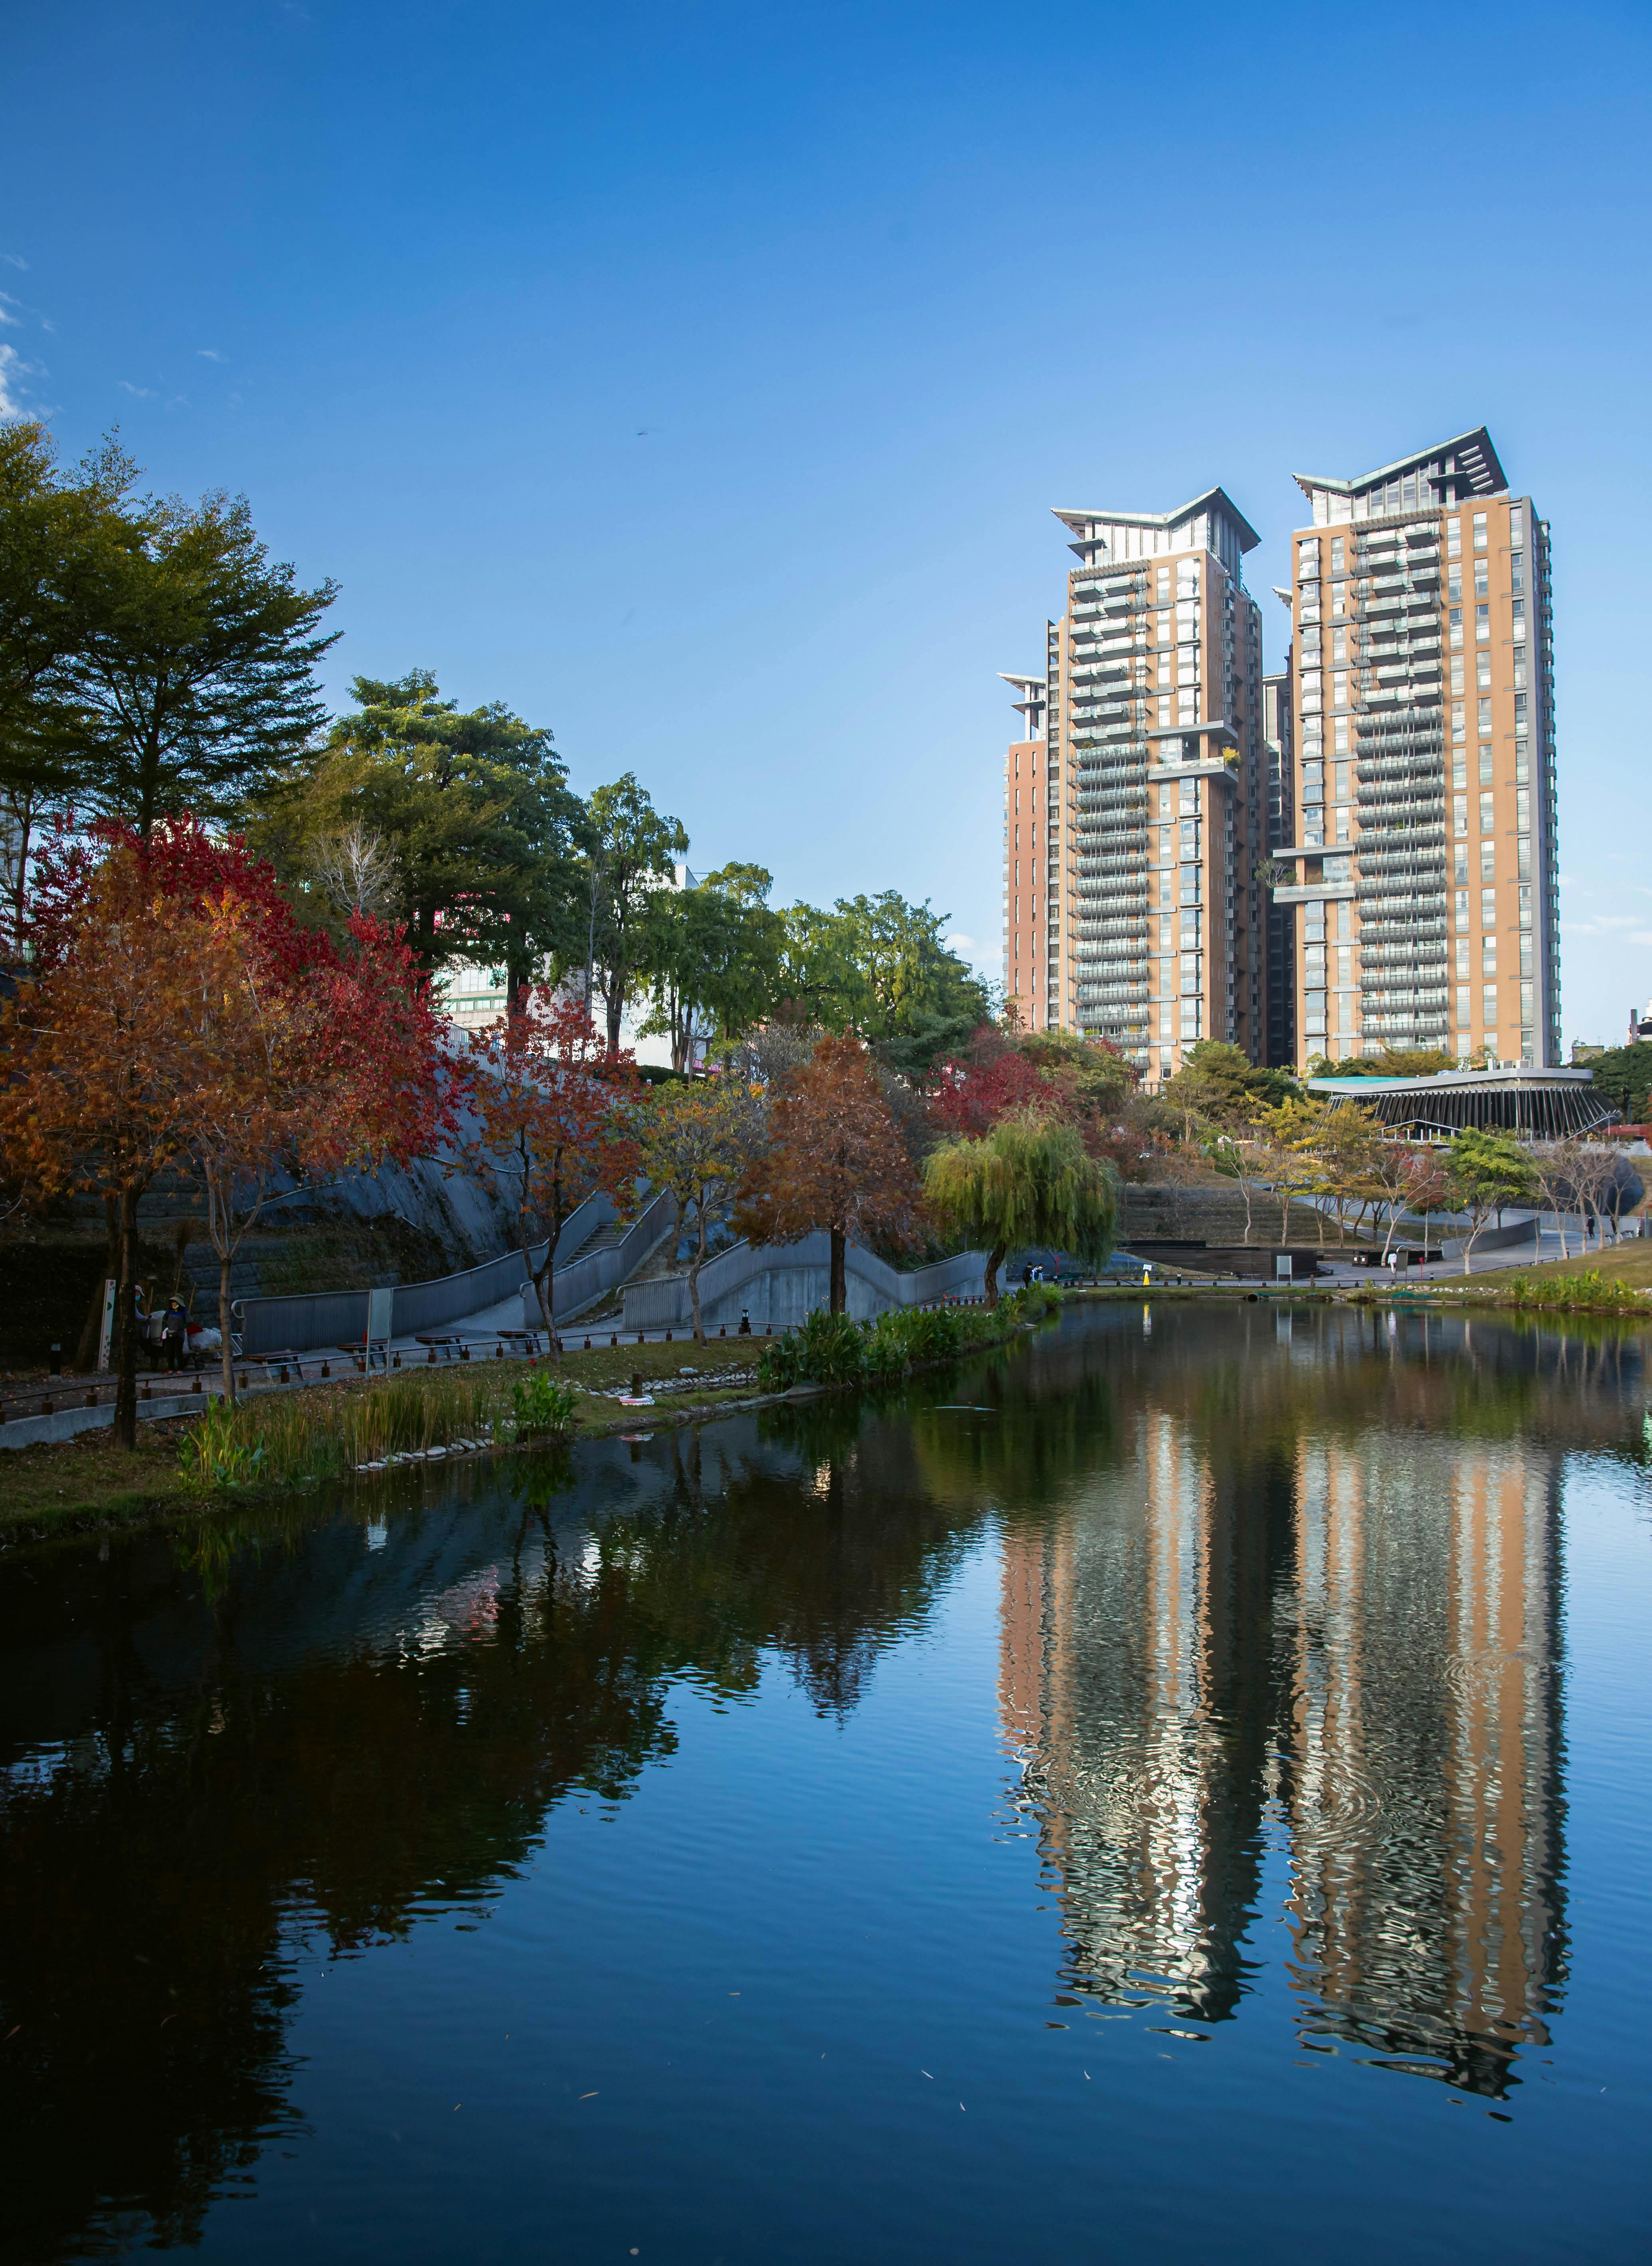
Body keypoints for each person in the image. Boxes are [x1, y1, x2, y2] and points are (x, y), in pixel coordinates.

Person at [160, 1295, 189, 1373]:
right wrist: (168, 1325)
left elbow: (190, 1321)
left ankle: (180, 1369)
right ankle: (171, 1369)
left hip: (179, 1334)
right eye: (172, 1302)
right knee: (170, 1352)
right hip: (170, 1333)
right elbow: (164, 1319)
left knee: (178, 1352)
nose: (173, 1304)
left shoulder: (184, 1312)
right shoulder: (169, 1311)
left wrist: (183, 1327)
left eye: (175, 1302)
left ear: (179, 1303)